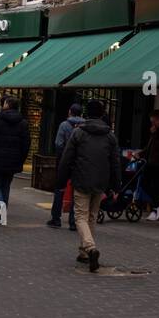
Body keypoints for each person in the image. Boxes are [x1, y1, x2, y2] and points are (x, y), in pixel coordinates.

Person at [57, 99, 121, 271]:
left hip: (81, 179)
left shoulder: (79, 133)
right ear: (102, 114)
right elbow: (115, 163)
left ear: (87, 114)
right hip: (101, 181)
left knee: (80, 217)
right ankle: (84, 253)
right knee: (92, 216)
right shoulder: (110, 136)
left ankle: (90, 248)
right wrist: (116, 186)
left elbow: (67, 158)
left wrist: (61, 180)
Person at [0, 95, 30, 224]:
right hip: (13, 160)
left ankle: (1, 205)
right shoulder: (23, 123)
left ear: (7, 105)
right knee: (6, 185)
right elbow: (26, 144)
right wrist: (21, 158)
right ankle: (1, 215)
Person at [47, 103, 85, 229]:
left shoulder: (64, 125)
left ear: (70, 112)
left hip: (64, 161)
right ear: (81, 113)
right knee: (77, 192)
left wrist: (62, 157)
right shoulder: (85, 126)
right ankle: (73, 222)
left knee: (59, 189)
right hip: (80, 163)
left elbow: (58, 144)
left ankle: (56, 218)